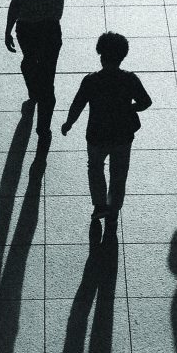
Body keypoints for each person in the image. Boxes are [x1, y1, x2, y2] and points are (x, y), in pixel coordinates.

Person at [61, 32, 152, 222]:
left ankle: (99, 205)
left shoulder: (91, 80)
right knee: (119, 172)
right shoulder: (129, 79)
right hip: (122, 134)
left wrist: (69, 123)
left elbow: (77, 105)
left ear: (102, 56)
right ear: (122, 56)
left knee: (95, 167)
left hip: (97, 134)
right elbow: (145, 101)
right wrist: (129, 108)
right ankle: (114, 207)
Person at [5, 0, 81, 147]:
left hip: (26, 28)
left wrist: (7, 30)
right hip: (50, 29)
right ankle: (44, 127)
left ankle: (33, 93)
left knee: (28, 62)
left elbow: (16, 2)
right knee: (49, 77)